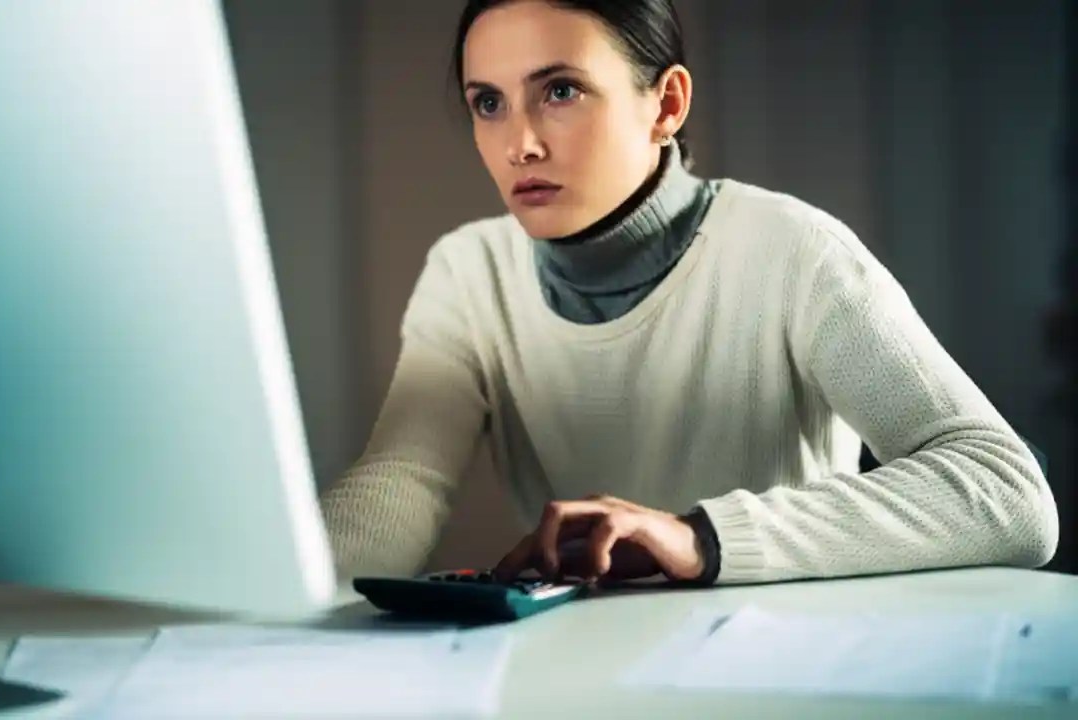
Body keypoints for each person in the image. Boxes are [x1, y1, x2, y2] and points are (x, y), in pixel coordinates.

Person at [320, 0, 1059, 587]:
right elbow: (403, 480)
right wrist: (279, 591)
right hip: (584, 670)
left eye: (561, 90)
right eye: (488, 103)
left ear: (666, 104)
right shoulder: (467, 269)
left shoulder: (790, 249)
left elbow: (1007, 493)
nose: (521, 144)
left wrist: (699, 538)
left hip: (787, 663)